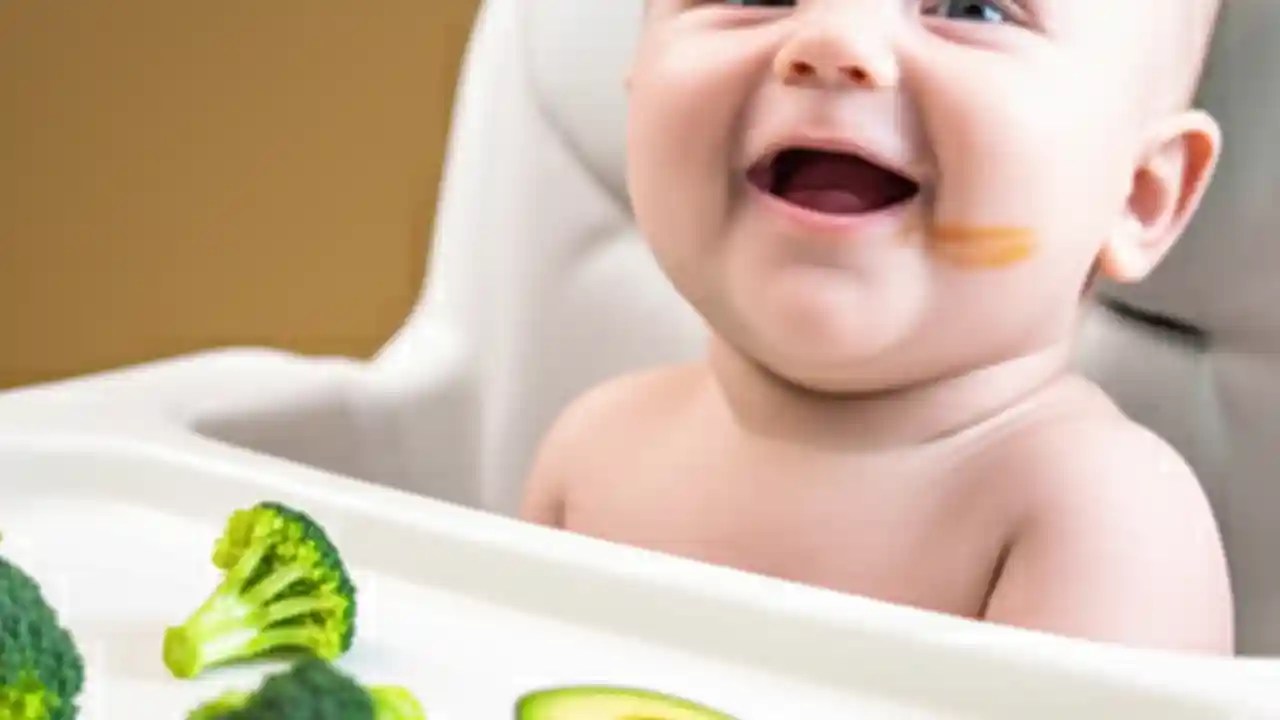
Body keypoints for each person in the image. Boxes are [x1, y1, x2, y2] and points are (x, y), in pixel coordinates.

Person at [520, 0, 1233, 655]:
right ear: (637, 90)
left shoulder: (1103, 522)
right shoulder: (593, 446)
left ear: (1140, 194)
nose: (833, 42)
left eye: (970, 8)